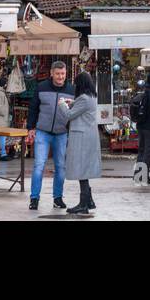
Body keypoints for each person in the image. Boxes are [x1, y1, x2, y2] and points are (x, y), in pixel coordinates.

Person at [26, 60, 74, 211]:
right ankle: (34, 198)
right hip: (42, 131)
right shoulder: (41, 87)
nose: (60, 77)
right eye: (58, 74)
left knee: (60, 166)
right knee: (39, 165)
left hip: (61, 133)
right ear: (52, 73)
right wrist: (31, 128)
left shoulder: (72, 90)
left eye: (63, 74)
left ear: (66, 74)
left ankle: (57, 198)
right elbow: (33, 108)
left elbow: (75, 112)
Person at [56, 71, 101, 216]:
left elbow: (69, 115)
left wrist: (62, 104)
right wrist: (72, 102)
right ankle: (88, 201)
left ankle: (83, 204)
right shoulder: (91, 97)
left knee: (81, 169)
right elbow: (82, 105)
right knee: (84, 169)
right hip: (88, 136)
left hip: (82, 138)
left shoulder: (83, 98)